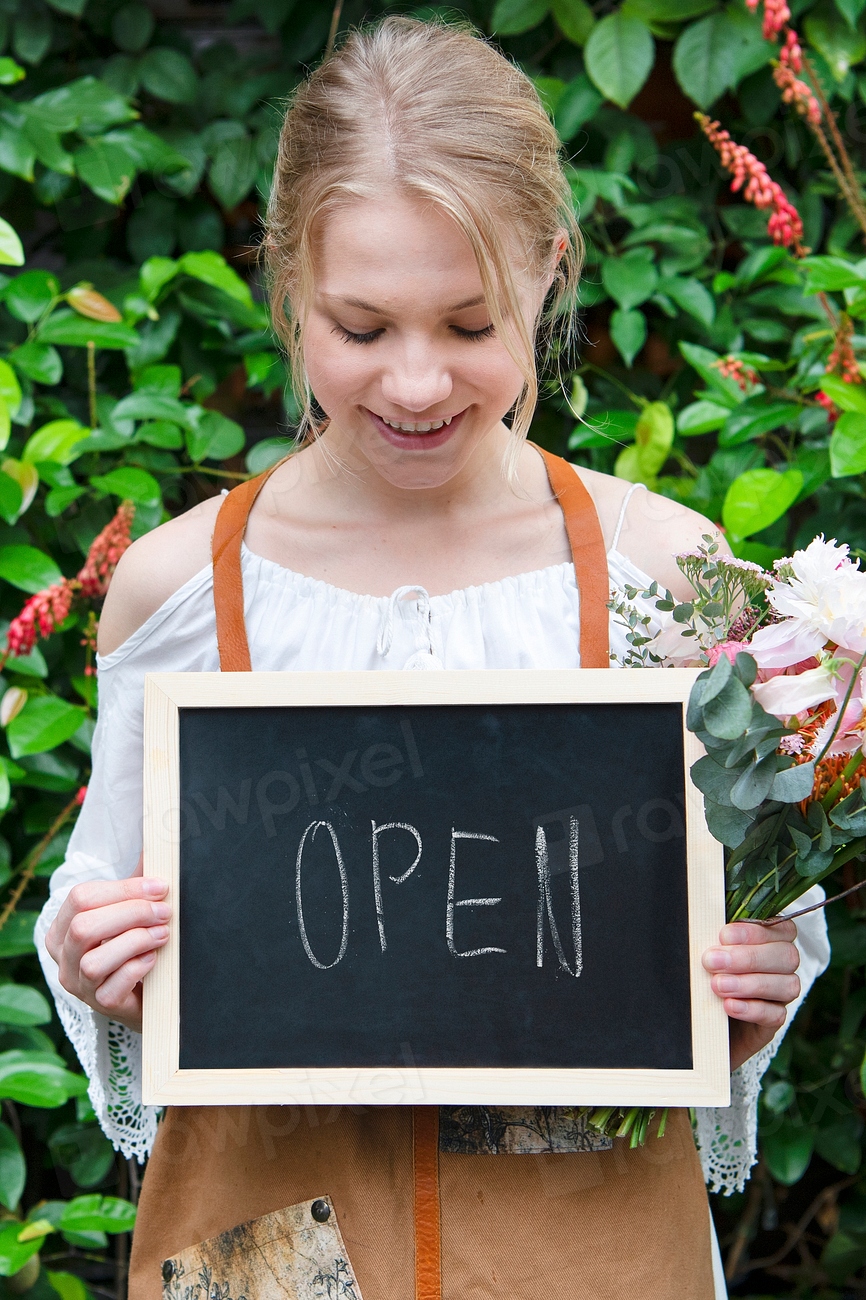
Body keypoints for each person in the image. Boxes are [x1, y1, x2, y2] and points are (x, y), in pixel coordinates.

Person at [36, 17, 829, 1300]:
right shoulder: (185, 589)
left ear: (551, 274)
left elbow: (760, 926)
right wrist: (101, 965)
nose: (415, 382)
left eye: (469, 322)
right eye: (360, 327)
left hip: (586, 1240)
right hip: (267, 1236)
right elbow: (108, 928)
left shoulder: (666, 580)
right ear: (287, 289)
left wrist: (752, 983)